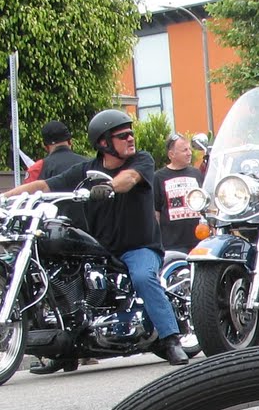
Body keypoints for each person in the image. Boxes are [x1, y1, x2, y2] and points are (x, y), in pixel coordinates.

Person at [3, 109, 188, 365]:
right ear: (103, 142)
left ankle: (171, 339)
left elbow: (129, 179)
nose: (131, 138)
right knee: (62, 277)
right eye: (123, 135)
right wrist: (8, 197)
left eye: (130, 133)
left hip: (139, 247)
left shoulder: (140, 161)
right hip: (100, 249)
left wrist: (109, 186)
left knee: (143, 277)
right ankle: (64, 348)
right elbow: (45, 185)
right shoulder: (86, 170)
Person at [152, 133, 205, 251]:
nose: (189, 153)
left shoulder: (196, 174)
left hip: (198, 241)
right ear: (171, 154)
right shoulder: (158, 177)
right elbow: (156, 212)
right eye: (184, 150)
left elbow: (205, 205)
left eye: (189, 149)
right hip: (172, 245)